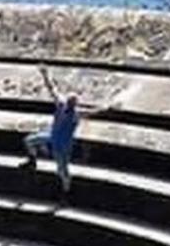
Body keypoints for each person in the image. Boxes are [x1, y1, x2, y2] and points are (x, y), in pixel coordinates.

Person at [20, 65, 113, 195]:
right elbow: (52, 89)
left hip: (62, 145)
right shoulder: (62, 105)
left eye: (72, 103)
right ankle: (32, 161)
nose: (69, 105)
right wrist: (45, 74)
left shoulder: (76, 114)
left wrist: (107, 108)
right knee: (29, 140)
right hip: (52, 137)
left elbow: (94, 112)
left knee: (62, 170)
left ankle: (66, 192)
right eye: (70, 102)